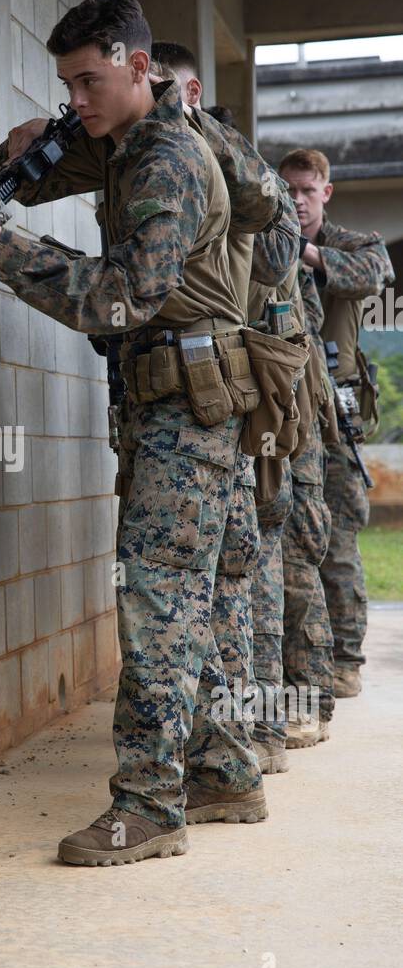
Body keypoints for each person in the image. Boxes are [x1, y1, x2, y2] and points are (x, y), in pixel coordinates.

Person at [0, 0, 280, 866]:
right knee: (197, 595)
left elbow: (119, 297)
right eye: (67, 83)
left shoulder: (168, 160)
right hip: (176, 404)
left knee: (157, 598)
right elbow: (41, 165)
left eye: (90, 79)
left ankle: (149, 805)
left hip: (187, 408)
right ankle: (221, 767)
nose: (78, 99)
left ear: (142, 67)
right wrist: (26, 148)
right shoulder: (122, 146)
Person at [149, 42, 300, 777]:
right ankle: (227, 748)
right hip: (163, 402)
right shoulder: (149, 162)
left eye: (165, 93)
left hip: (227, 402)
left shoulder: (229, 173)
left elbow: (276, 256)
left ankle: (248, 739)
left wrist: (198, 128)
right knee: (216, 580)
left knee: (237, 573)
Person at [278, 149, 393, 699]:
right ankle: (299, 659)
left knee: (339, 539)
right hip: (285, 412)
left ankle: (346, 658)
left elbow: (376, 274)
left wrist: (311, 256)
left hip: (337, 414)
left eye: (306, 189)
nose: (297, 200)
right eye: (289, 190)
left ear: (326, 191)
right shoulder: (269, 240)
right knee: (293, 538)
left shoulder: (353, 244)